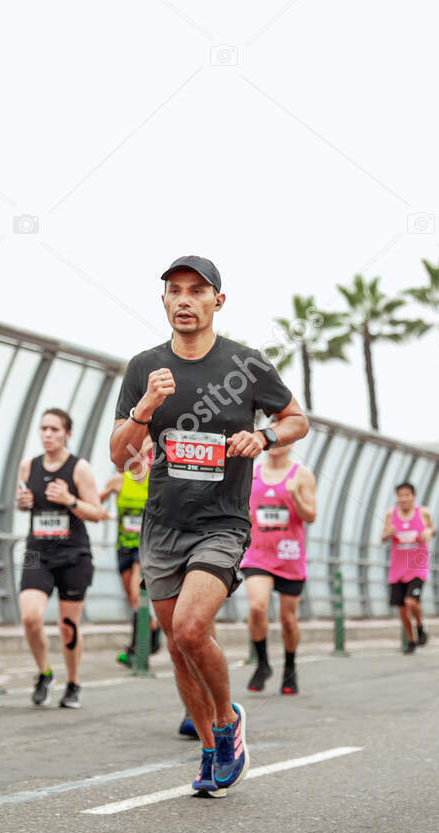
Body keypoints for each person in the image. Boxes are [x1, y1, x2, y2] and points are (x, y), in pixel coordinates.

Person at [110, 254, 307, 798]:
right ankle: (207, 748)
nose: (184, 300)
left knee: (192, 629)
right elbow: (118, 453)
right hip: (163, 524)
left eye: (197, 291)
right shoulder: (143, 367)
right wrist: (147, 406)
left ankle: (226, 723)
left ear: (218, 300)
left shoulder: (245, 365)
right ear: (165, 301)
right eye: (174, 291)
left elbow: (297, 419)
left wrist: (263, 438)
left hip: (222, 521)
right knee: (176, 646)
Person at [15, 407, 105, 708]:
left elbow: (98, 513)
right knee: (30, 617)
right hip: (38, 552)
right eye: (44, 429)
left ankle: (74, 682)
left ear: (67, 434)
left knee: (68, 624)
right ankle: (44, 672)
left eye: (54, 429)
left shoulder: (79, 468)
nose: (48, 434)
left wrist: (70, 500)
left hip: (73, 554)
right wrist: (22, 503)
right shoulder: (29, 466)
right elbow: (23, 501)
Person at [241, 440, 316, 693]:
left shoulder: (302, 475)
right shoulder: (251, 472)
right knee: (256, 606)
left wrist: (295, 496)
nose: (275, 444)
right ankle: (262, 663)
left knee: (288, 619)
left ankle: (289, 668)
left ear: (291, 443)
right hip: (258, 553)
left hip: (289, 555)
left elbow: (311, 516)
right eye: (270, 439)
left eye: (280, 439)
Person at [100, 435, 160, 666]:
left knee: (137, 594)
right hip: (123, 546)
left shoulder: (154, 480)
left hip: (145, 546)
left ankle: (139, 645)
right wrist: (100, 510)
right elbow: (96, 501)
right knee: (132, 597)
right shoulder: (118, 481)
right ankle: (150, 631)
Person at [382, 481, 434, 652]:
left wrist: (428, 532)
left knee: (411, 601)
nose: (403, 499)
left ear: (413, 497)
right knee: (403, 609)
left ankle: (420, 626)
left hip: (417, 568)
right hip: (397, 569)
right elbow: (383, 537)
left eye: (406, 495)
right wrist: (387, 533)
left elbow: (431, 529)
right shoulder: (391, 514)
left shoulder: (423, 513)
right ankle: (411, 641)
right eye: (400, 496)